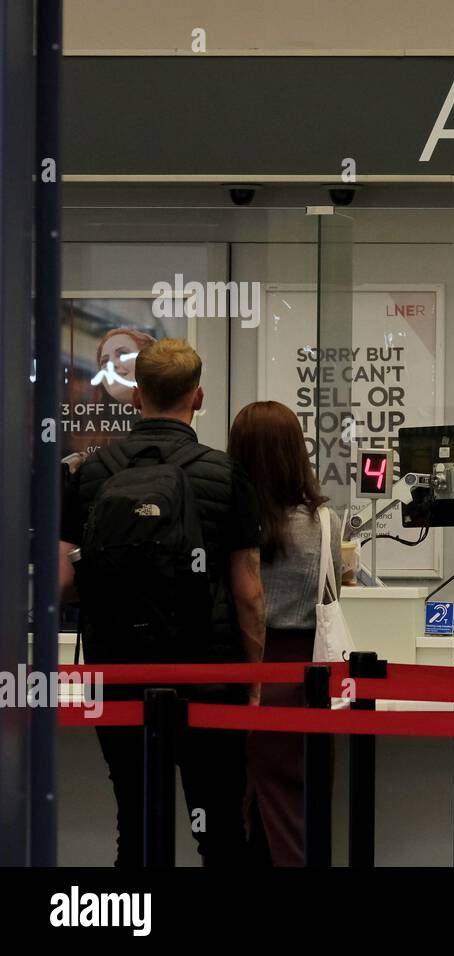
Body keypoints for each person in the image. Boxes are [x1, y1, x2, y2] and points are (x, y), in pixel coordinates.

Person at [59, 338, 265, 866]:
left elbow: (62, 580)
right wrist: (253, 680)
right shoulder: (226, 474)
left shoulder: (92, 474)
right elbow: (248, 593)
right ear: (198, 397)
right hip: (210, 675)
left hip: (121, 675)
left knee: (136, 826)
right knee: (220, 829)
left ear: (135, 398)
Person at [228, 400, 342, 867]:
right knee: (301, 815)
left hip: (246, 673)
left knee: (239, 814)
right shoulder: (325, 524)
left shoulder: (231, 522)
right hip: (309, 682)